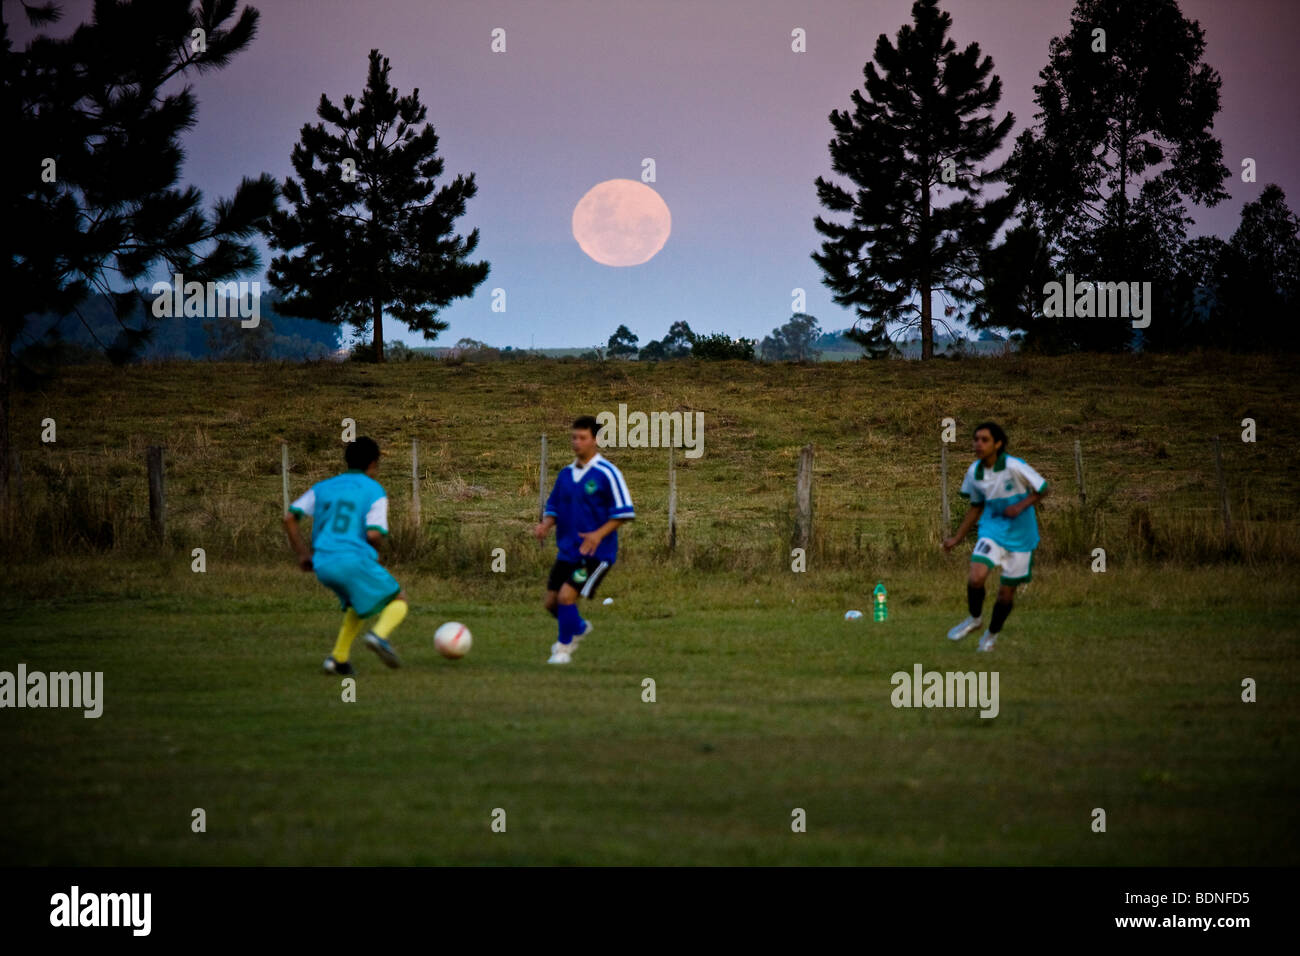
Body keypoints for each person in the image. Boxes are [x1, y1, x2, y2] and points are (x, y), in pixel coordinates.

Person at [283, 437, 408, 674]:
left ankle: (338, 660)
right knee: (398, 598)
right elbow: (373, 535)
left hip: (323, 564)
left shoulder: (323, 487)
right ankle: (378, 637)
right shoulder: (374, 491)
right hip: (353, 559)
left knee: (356, 602)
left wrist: (303, 554)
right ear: (373, 463)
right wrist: (374, 553)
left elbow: (290, 518)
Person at [532, 416, 635, 664]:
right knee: (551, 603)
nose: (576, 442)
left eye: (582, 438)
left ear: (595, 440)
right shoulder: (566, 474)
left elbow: (624, 512)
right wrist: (546, 524)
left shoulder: (607, 473)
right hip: (567, 552)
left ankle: (562, 650)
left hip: (595, 554)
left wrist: (598, 534)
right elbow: (554, 505)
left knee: (567, 597)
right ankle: (577, 627)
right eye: (574, 437)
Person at [943, 422, 1048, 652]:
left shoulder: (1014, 466)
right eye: (976, 439)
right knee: (976, 576)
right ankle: (975, 618)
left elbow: (1043, 489)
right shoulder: (974, 472)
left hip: (1022, 536)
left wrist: (1020, 506)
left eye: (984, 440)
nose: (978, 444)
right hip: (992, 530)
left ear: (997, 444)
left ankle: (991, 636)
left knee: (1005, 593)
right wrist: (957, 538)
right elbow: (976, 507)